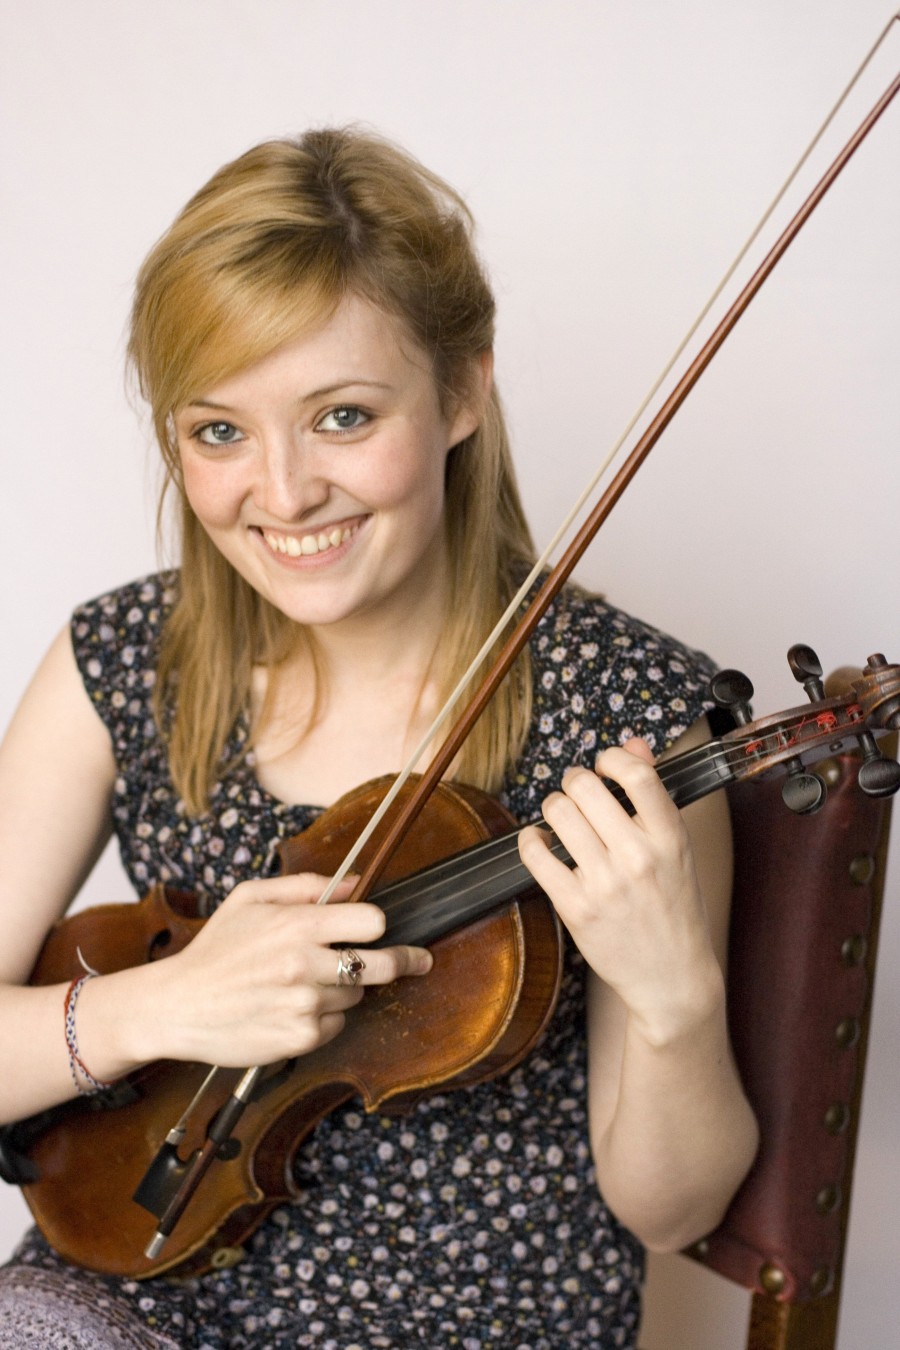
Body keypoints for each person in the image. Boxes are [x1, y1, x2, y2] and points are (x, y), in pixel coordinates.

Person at [0, 127, 758, 1349]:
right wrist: (165, 1006)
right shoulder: (132, 660)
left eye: (342, 416)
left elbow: (673, 1211)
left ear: (463, 390)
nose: (286, 494)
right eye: (219, 432)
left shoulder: (620, 714)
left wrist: (675, 999)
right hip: (120, 1297)